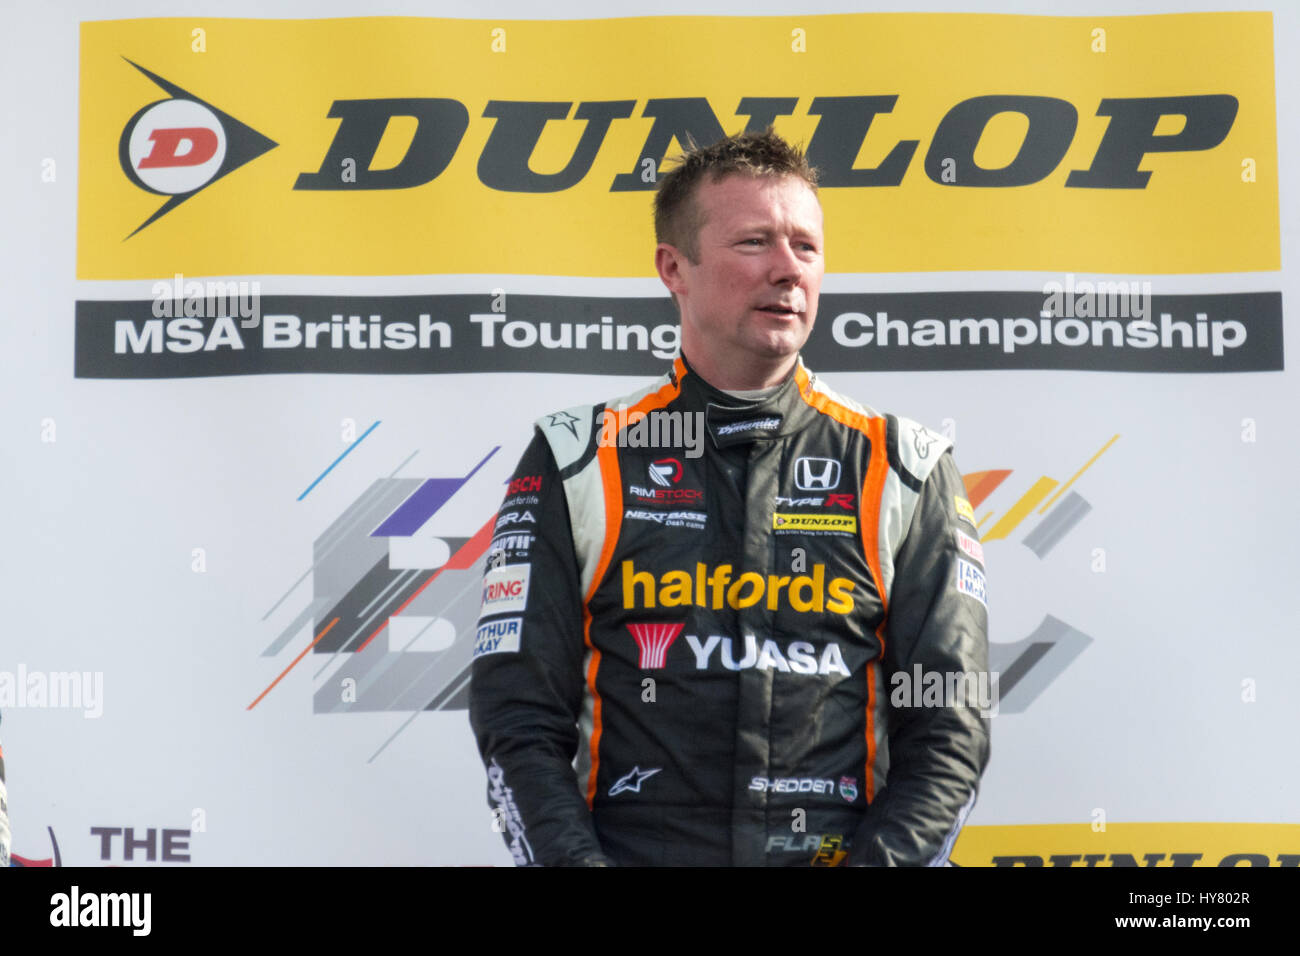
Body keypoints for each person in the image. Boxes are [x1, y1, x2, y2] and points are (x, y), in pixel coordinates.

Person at [469, 129, 990, 866]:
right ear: (673, 267)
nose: (787, 270)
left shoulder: (905, 464)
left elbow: (949, 724)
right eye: (754, 243)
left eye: (806, 248)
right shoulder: (576, 455)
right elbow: (517, 715)